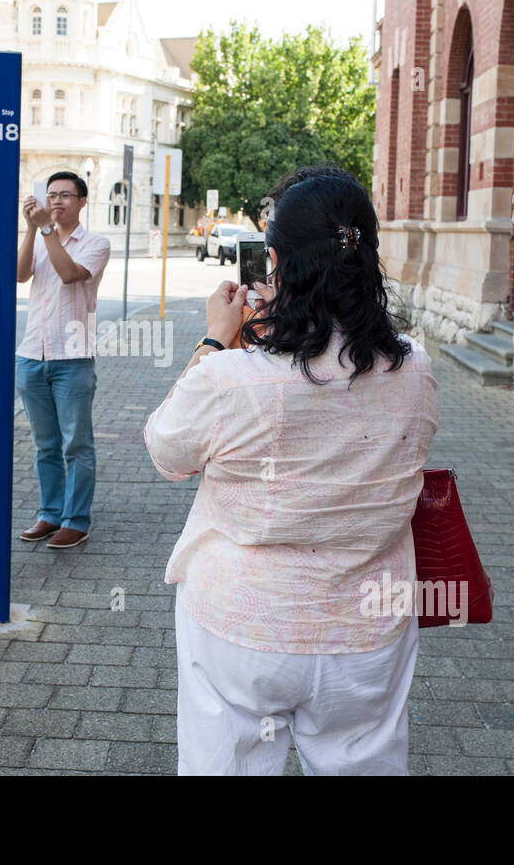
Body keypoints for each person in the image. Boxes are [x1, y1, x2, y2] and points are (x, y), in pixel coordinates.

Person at [143, 165, 439, 775]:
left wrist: (218, 342)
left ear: (275, 262)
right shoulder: (416, 368)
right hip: (367, 631)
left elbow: (168, 450)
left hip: (243, 627)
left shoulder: (232, 377)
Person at [16, 171, 112, 548]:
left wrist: (45, 233)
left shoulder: (96, 243)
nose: (56, 201)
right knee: (45, 445)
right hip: (31, 355)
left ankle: (76, 520)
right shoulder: (40, 237)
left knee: (77, 445)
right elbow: (21, 274)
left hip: (72, 357)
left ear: (82, 202)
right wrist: (29, 229)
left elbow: (70, 274)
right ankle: (49, 514)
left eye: (65, 195)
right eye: (51, 194)